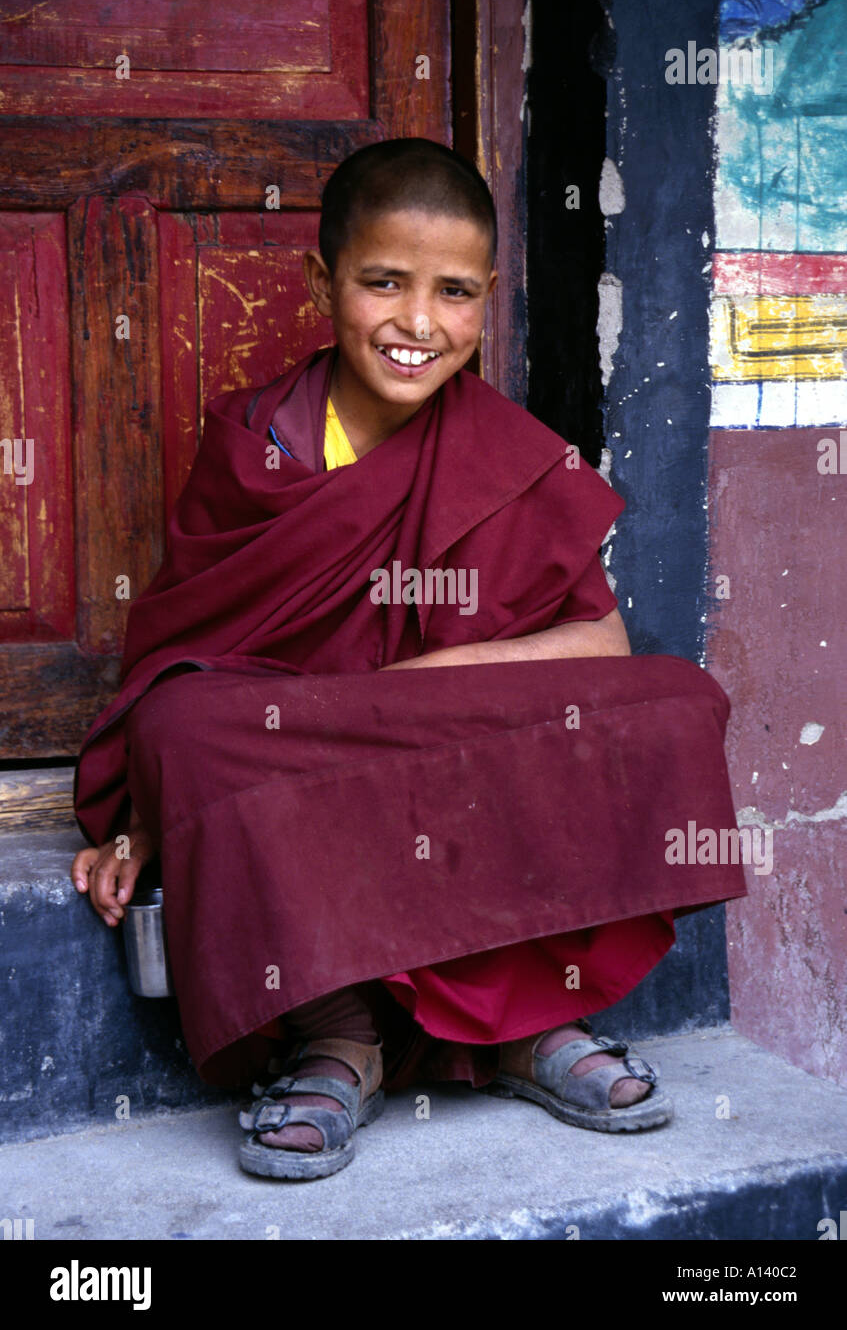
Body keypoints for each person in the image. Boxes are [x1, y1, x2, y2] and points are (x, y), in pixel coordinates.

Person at [71, 138, 746, 1181]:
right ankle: (338, 1033)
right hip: (303, 746)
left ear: (486, 299)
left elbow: (596, 644)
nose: (417, 323)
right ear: (321, 281)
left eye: (453, 292)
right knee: (181, 724)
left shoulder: (512, 453)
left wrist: (409, 690)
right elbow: (187, 653)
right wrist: (147, 813)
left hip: (424, 738)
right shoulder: (255, 447)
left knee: (669, 699)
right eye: (383, 281)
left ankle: (522, 1016)